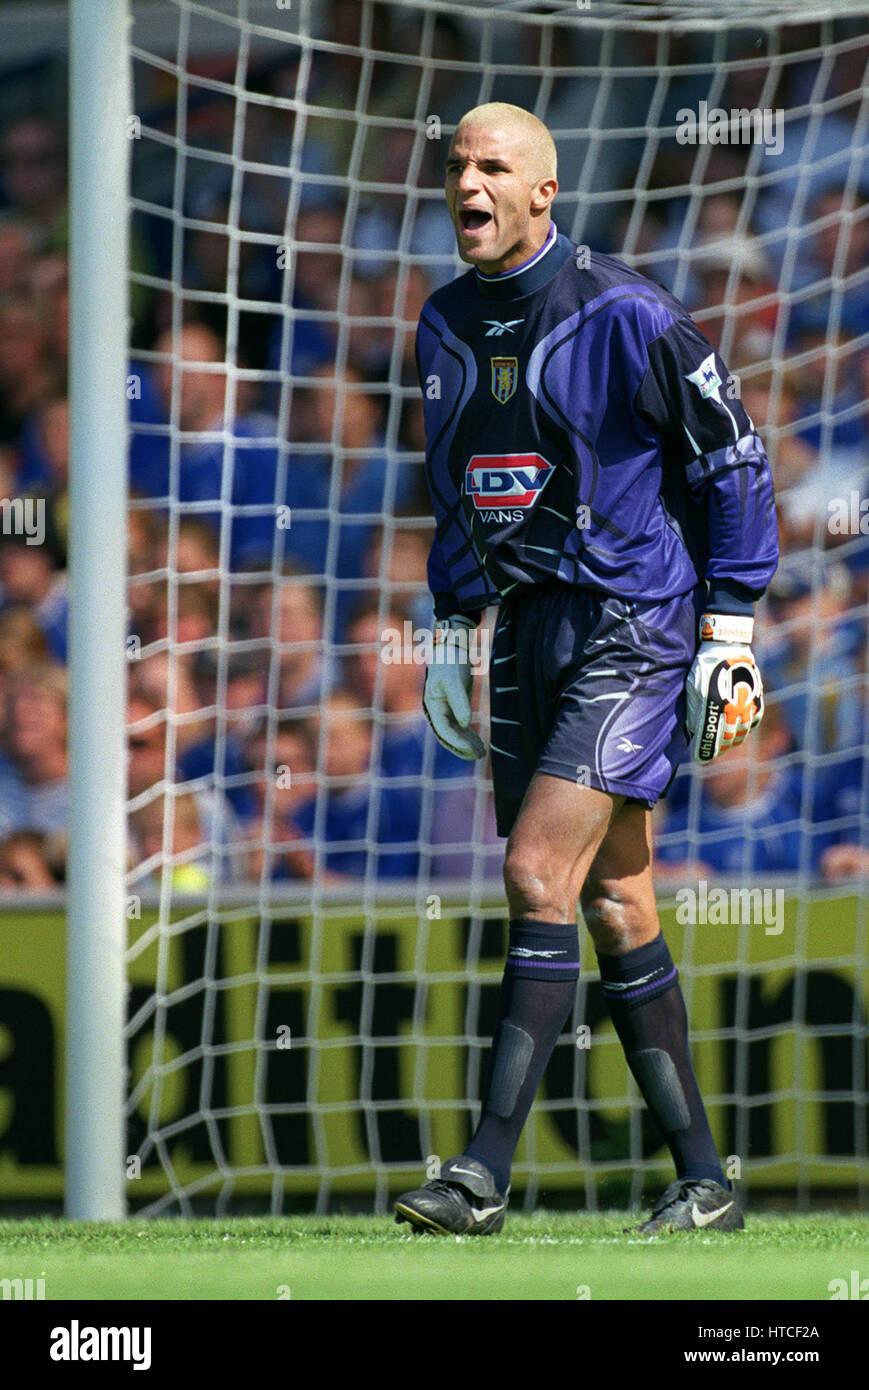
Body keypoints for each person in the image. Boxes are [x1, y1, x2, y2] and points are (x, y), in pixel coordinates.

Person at [394, 103, 778, 1237]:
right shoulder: (440, 322)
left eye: (492, 166)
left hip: (633, 623)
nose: (467, 181)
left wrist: (729, 630)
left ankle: (478, 1173)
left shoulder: (627, 311)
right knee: (613, 897)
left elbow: (732, 457)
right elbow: (458, 479)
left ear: (543, 193)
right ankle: (704, 1181)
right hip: (521, 631)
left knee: (531, 874)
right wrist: (456, 625)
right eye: (456, 164)